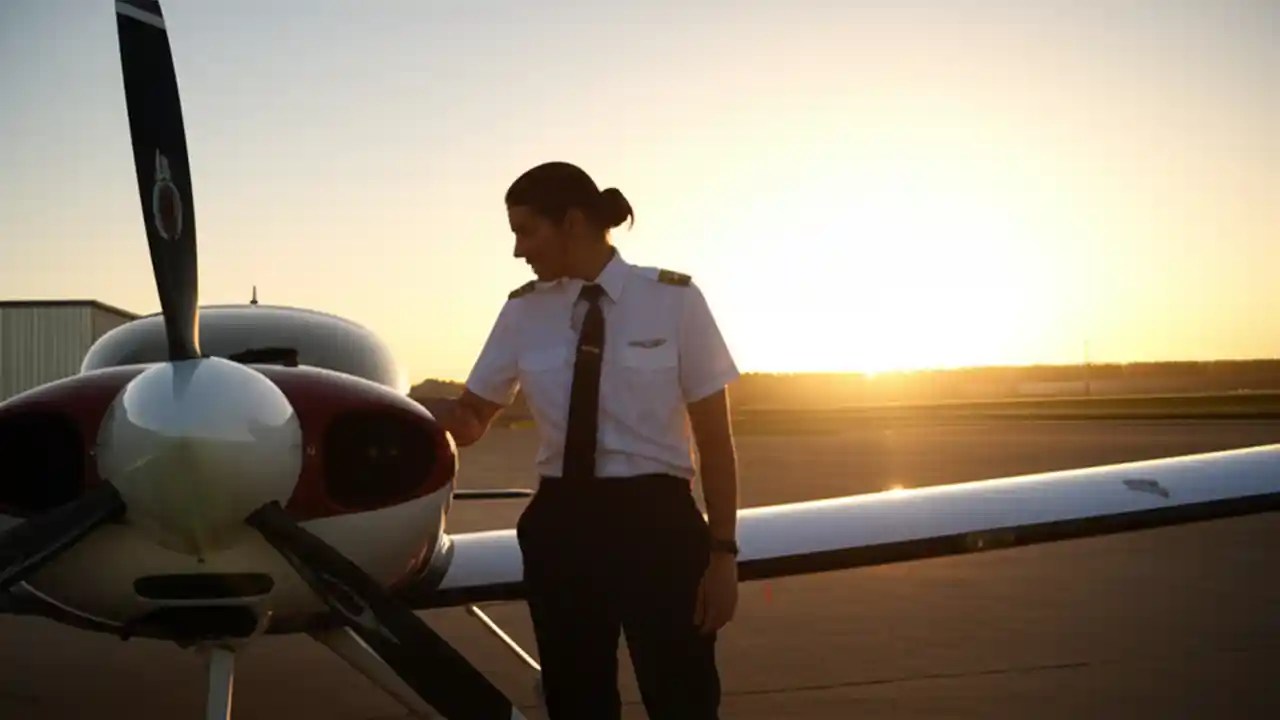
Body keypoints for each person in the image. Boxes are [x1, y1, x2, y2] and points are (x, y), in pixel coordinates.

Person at [423, 161, 740, 719]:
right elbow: (473, 419)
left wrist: (722, 555)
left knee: (683, 697)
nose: (519, 250)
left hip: (659, 527)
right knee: (576, 703)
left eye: (526, 231)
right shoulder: (523, 312)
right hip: (561, 527)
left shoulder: (675, 300)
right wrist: (400, 414)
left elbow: (715, 441)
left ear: (571, 222)